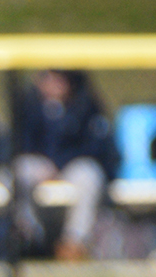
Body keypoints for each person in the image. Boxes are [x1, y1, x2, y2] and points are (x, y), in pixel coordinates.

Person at [12, 68, 120, 261]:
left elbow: (97, 147)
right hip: (40, 165)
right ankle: (28, 237)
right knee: (20, 170)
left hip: (73, 166)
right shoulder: (29, 104)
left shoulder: (85, 104)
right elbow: (19, 143)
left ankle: (74, 242)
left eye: (61, 79)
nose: (55, 84)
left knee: (90, 174)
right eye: (49, 77)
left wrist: (59, 164)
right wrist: (47, 165)